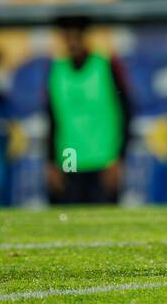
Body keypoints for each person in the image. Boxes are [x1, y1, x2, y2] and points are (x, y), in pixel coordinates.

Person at [44, 16, 132, 204]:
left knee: (104, 220)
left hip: (103, 156)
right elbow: (53, 118)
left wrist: (118, 158)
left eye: (76, 36)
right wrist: (51, 161)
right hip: (70, 155)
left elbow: (125, 111)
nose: (72, 42)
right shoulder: (57, 70)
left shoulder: (104, 65)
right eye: (67, 37)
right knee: (70, 217)